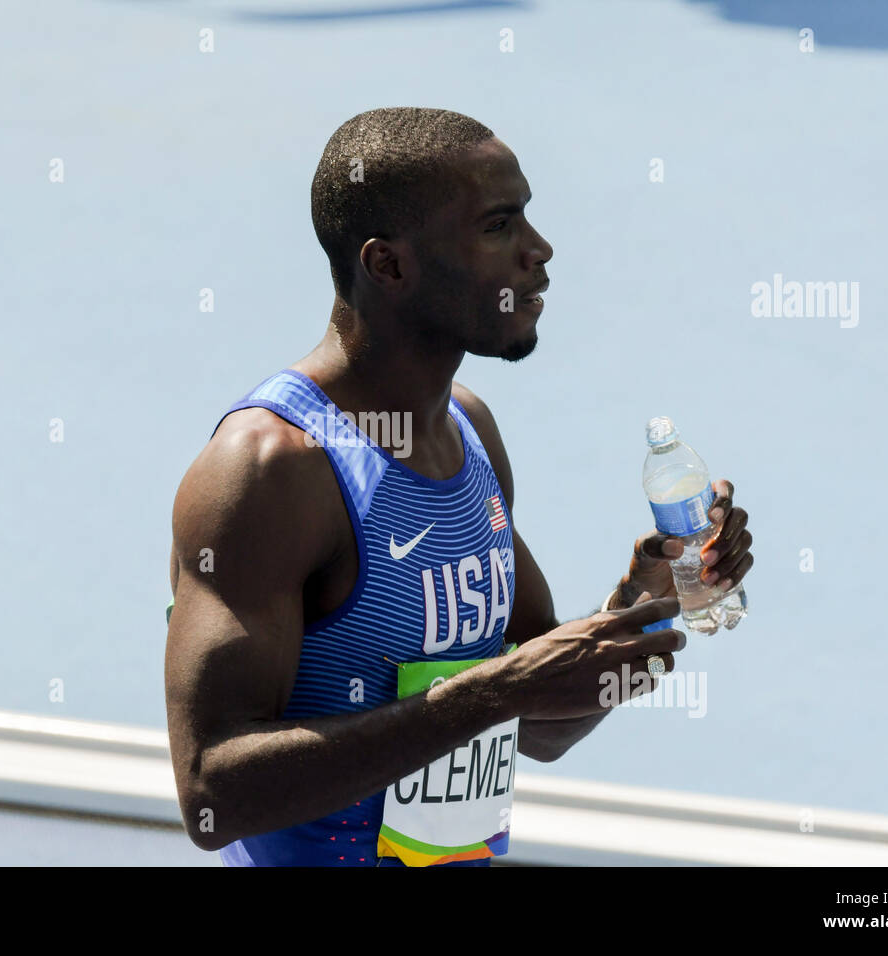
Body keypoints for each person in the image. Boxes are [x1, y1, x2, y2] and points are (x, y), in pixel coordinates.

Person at [164, 107, 754, 866]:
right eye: (498, 226)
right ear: (389, 266)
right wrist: (491, 693)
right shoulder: (271, 471)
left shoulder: (469, 433)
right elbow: (213, 798)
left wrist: (642, 602)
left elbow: (538, 725)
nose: (540, 253)